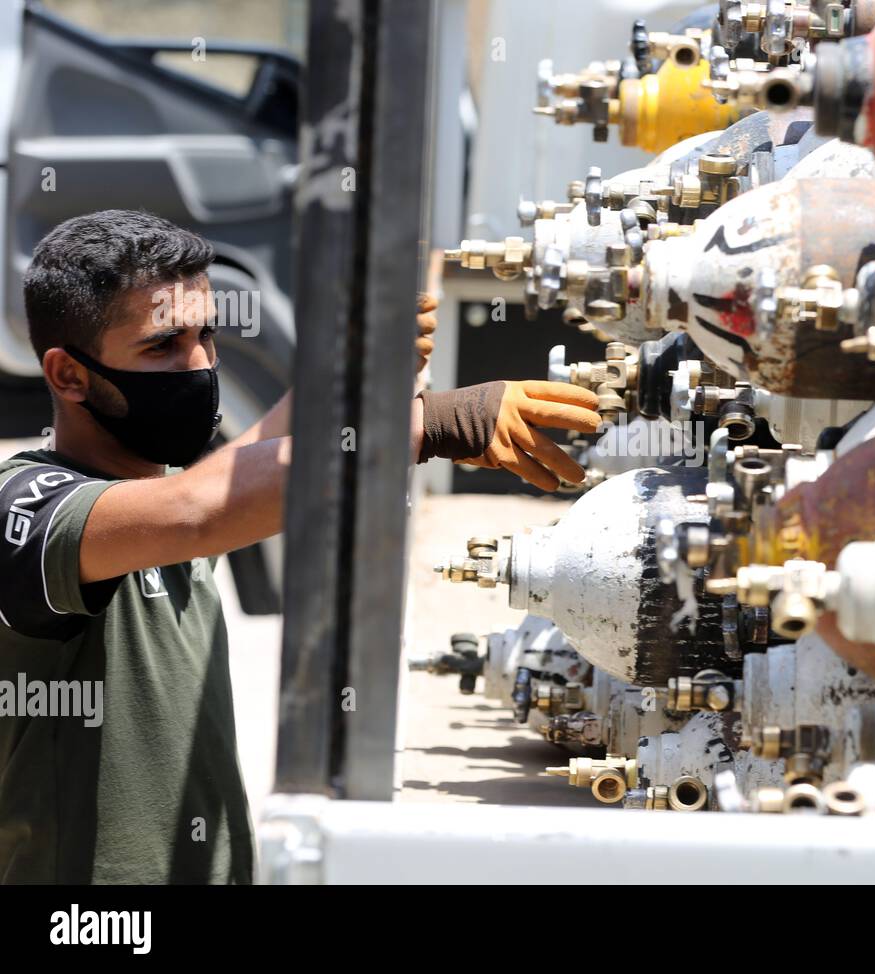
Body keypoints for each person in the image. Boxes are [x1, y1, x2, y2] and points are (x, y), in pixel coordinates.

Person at [0, 210, 601, 883]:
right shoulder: (28, 505)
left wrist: (353, 363)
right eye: (163, 345)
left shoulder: (159, 497)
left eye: (207, 336)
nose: (197, 365)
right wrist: (428, 425)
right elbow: (200, 510)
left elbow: (234, 476)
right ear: (68, 374)